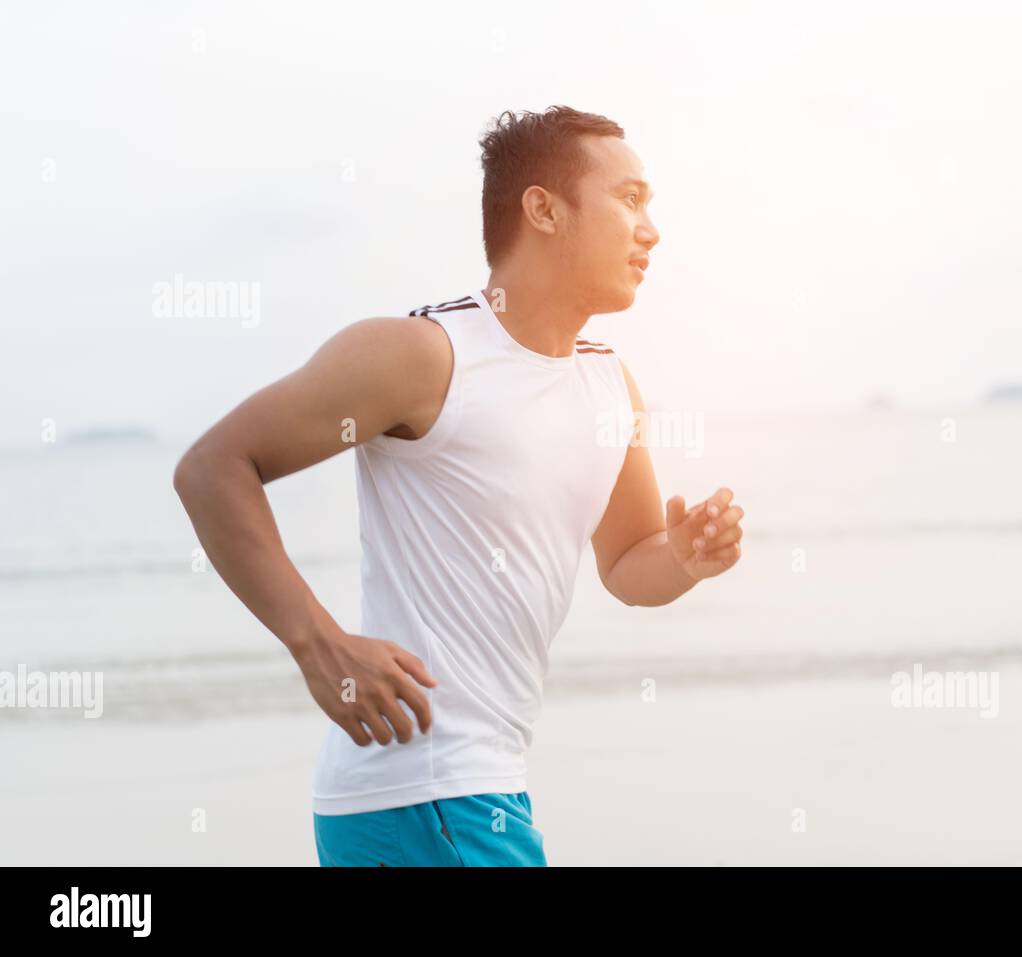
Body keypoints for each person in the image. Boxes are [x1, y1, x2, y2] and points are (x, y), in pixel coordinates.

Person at [172, 105, 745, 866]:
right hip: (426, 790)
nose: (653, 230)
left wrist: (682, 556)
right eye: (630, 199)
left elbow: (628, 561)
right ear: (542, 208)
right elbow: (213, 467)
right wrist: (318, 643)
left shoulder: (609, 385)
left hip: (477, 788)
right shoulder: (424, 356)